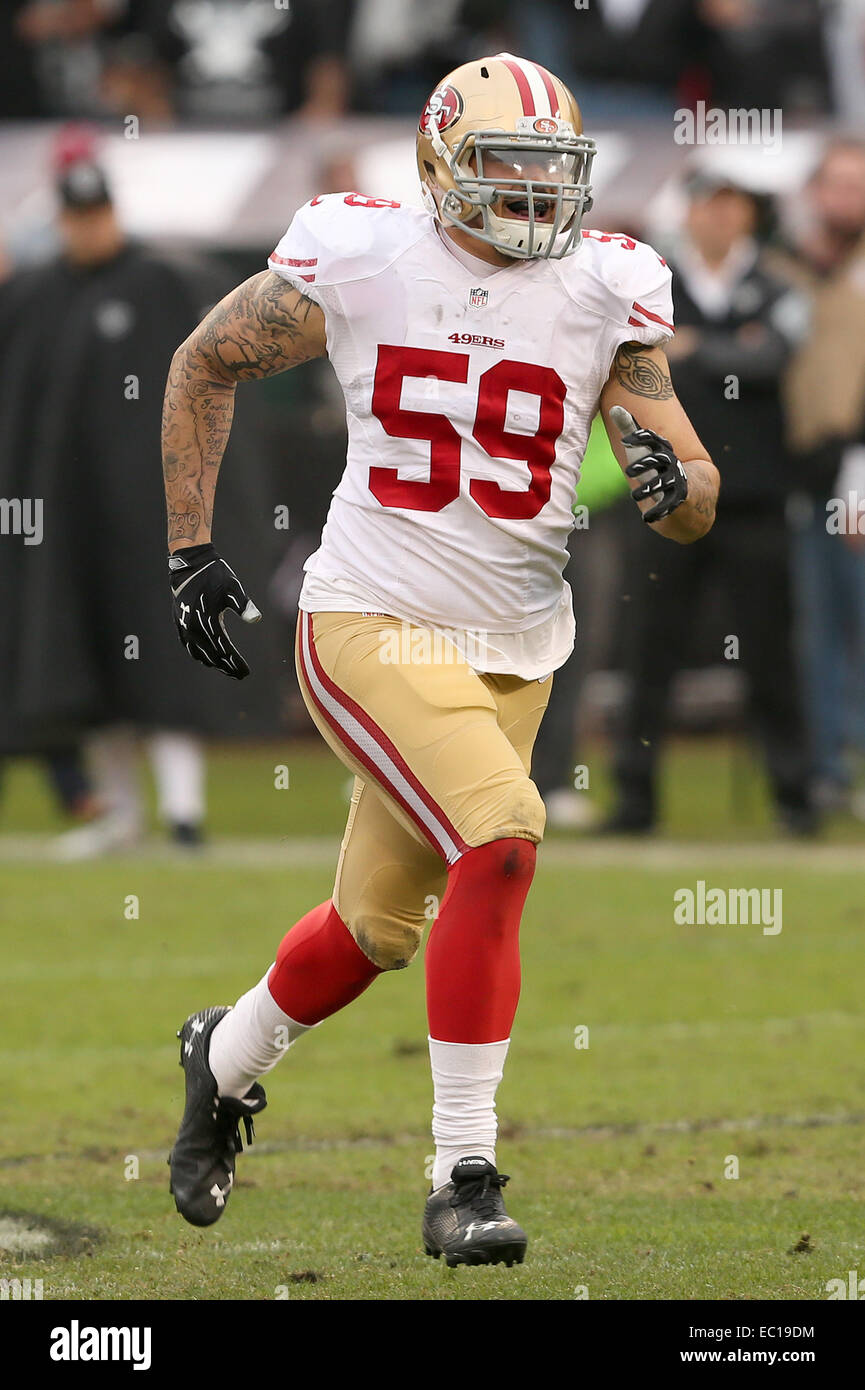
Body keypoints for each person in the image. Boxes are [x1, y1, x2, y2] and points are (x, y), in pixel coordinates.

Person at [164, 52, 718, 1267]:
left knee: (375, 928)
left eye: (548, 169)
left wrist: (680, 490)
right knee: (505, 833)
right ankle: (464, 1173)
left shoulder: (606, 281)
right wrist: (190, 549)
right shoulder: (362, 251)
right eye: (505, 166)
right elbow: (203, 359)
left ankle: (225, 1056)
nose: (530, 193)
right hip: (369, 618)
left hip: (517, 645)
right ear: (438, 163)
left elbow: (689, 478)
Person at [0, 152, 281, 853]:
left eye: (98, 216)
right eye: (77, 217)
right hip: (67, 518)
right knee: (83, 657)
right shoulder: (35, 296)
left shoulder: (162, 284)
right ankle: (121, 812)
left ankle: (184, 812)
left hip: (153, 513)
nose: (90, 230)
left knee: (164, 654)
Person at [606, 171, 815, 835]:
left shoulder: (778, 284)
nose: (715, 217)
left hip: (754, 500)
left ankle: (794, 797)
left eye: (728, 204)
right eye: (704, 203)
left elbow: (772, 358)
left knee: (770, 655)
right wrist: (726, 348)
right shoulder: (656, 286)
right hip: (665, 503)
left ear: (747, 215)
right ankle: (634, 800)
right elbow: (637, 358)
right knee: (647, 651)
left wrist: (693, 350)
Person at [772, 138, 865, 813]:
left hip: (857, 466)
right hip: (799, 469)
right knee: (815, 628)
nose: (848, 199)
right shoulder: (784, 267)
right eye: (837, 184)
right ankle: (827, 766)